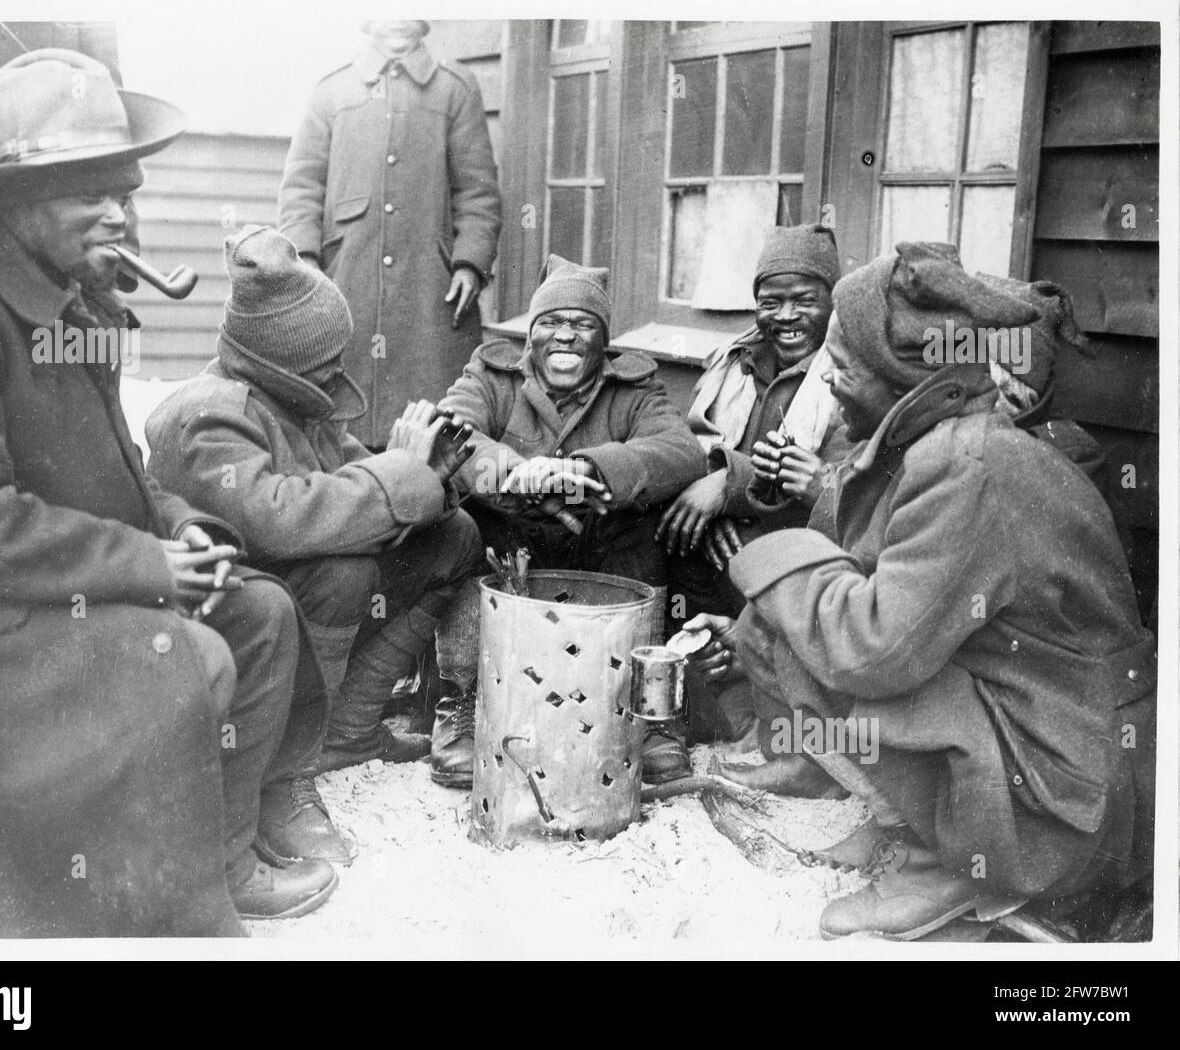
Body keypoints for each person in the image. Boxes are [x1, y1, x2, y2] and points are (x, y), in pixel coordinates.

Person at [0, 50, 338, 935]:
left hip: (62, 580)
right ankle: (160, 915)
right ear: (12, 201)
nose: (120, 215)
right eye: (89, 194)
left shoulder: (80, 302)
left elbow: (120, 470)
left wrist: (181, 526)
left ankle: (222, 861)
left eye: (126, 190)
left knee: (260, 614)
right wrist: (150, 566)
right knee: (183, 656)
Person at [686, 242, 1155, 940]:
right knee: (791, 619)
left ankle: (955, 866)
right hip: (1064, 744)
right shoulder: (945, 441)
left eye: (840, 367)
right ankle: (908, 827)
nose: (830, 384)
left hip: (1074, 799)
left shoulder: (969, 465)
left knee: (833, 638)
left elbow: (875, 651)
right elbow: (869, 557)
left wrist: (769, 555)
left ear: (898, 374)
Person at [146, 225, 484, 799]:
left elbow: (350, 481)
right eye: (326, 361)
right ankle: (286, 768)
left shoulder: (293, 397)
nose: (337, 371)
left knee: (454, 537)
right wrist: (401, 469)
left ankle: (349, 730)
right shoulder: (210, 414)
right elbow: (279, 521)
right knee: (343, 570)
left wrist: (431, 475)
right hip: (233, 613)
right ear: (284, 360)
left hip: (297, 596)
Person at [432, 255, 705, 786]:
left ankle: (651, 718)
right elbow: (452, 430)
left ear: (603, 340)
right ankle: (462, 703)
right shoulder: (491, 374)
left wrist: (587, 468)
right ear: (531, 335)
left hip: (596, 542)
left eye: (583, 326)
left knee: (644, 526)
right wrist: (518, 473)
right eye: (551, 324)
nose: (566, 338)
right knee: (459, 527)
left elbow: (681, 451)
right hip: (510, 541)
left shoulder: (634, 386)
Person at [657, 223, 849, 755]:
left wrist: (731, 485)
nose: (785, 317)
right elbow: (686, 447)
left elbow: (845, 489)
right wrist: (719, 496)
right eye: (771, 302)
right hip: (722, 544)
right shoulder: (734, 364)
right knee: (665, 540)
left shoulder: (848, 377)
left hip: (794, 551)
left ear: (833, 300)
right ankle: (686, 703)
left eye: (804, 301)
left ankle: (762, 717)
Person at [277, 19, 502, 447]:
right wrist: (305, 261)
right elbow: (301, 187)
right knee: (337, 416)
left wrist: (470, 264)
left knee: (437, 417)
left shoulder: (455, 88)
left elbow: (478, 193)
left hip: (428, 285)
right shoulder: (332, 91)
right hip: (345, 279)